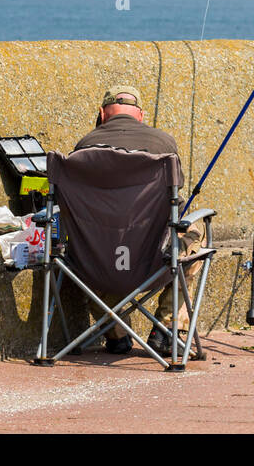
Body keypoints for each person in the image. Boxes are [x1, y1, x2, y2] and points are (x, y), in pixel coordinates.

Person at [72, 86, 193, 356]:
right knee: (195, 234)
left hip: (101, 261)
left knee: (91, 242)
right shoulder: (163, 145)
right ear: (140, 115)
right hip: (152, 262)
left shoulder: (83, 148)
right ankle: (167, 328)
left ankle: (116, 332)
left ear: (102, 114)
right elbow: (176, 194)